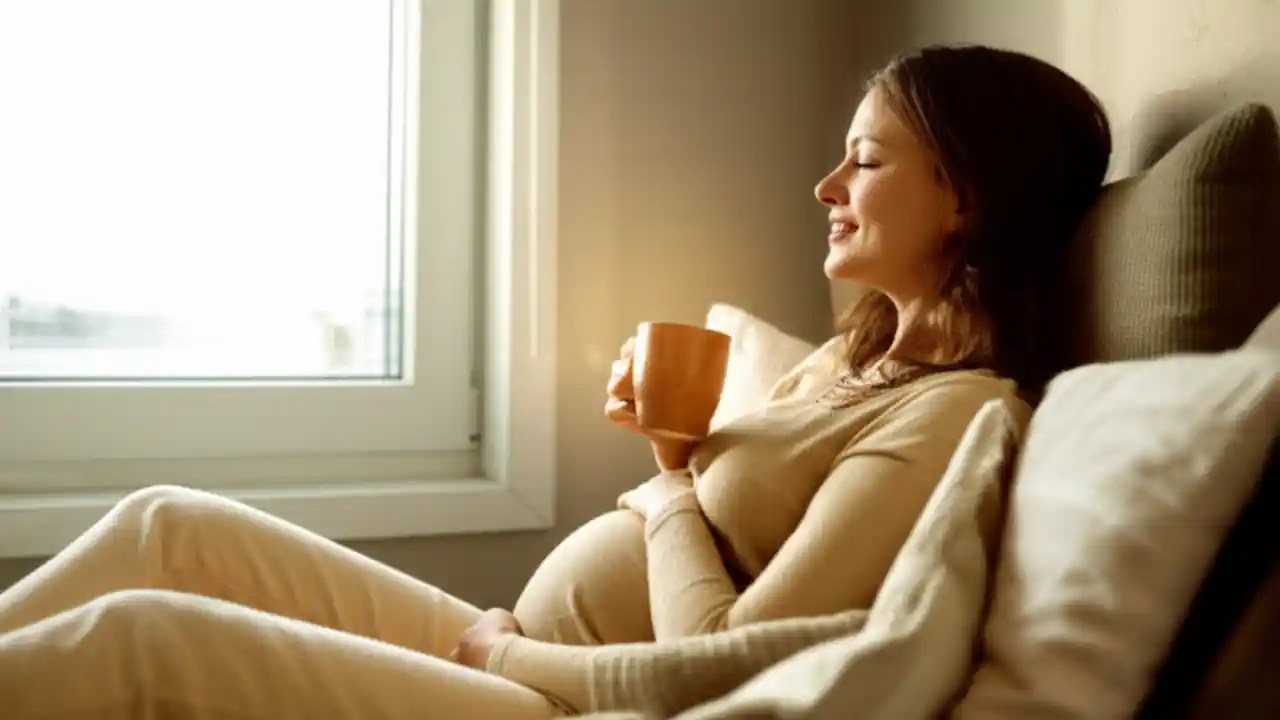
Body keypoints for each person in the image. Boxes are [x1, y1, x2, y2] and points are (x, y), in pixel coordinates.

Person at [0, 45, 1110, 719]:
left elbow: (721, 666)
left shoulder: (954, 412)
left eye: (863, 160)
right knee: (170, 524)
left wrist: (667, 473)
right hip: (528, 655)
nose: (825, 184)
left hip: (553, 697)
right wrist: (668, 444)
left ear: (965, 195)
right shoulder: (857, 357)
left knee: (144, 638)